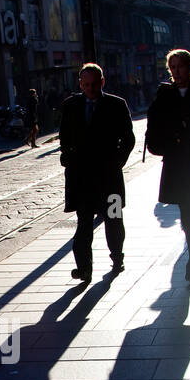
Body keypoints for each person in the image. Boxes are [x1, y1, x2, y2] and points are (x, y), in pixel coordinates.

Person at [58, 62, 135, 284]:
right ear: (80, 84)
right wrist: (68, 157)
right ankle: (83, 268)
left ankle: (116, 256)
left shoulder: (116, 104)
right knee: (83, 224)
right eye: (86, 84)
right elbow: (64, 137)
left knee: (113, 218)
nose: (90, 89)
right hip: (81, 179)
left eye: (94, 84)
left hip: (109, 176)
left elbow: (128, 139)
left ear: (102, 82)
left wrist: (117, 162)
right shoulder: (71, 105)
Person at [146, 49, 190, 284]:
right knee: (186, 209)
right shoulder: (164, 93)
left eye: (181, 66)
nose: (176, 71)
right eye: (172, 67)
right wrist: (181, 127)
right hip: (177, 160)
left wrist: (178, 126)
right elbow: (156, 122)